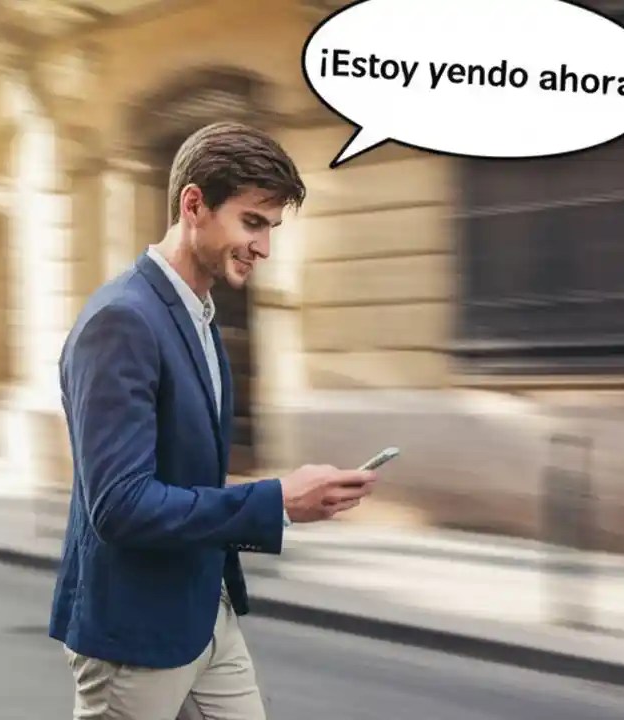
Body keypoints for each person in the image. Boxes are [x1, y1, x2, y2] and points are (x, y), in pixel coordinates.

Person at [48, 121, 377, 719]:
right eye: (252, 222)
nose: (263, 247)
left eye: (270, 228)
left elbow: (186, 476)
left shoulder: (198, 315)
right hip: (136, 636)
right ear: (194, 204)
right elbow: (119, 505)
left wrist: (284, 499)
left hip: (204, 612)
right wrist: (277, 501)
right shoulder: (121, 321)